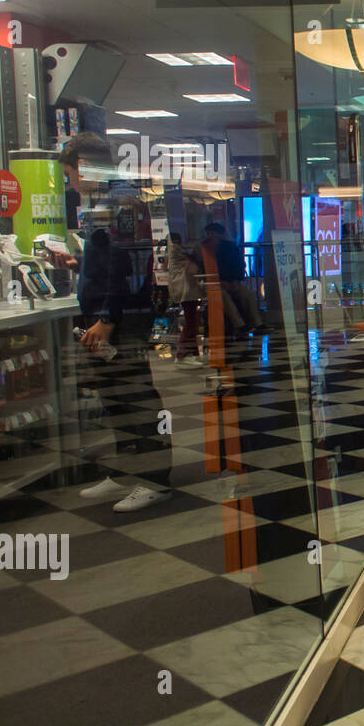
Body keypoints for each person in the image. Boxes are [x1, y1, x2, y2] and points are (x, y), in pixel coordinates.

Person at [72, 141, 173, 513]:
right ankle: (128, 469)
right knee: (115, 396)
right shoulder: (107, 203)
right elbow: (111, 260)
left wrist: (108, 318)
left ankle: (156, 479)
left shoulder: (122, 202)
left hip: (121, 319)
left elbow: (127, 264)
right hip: (110, 314)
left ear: (83, 166)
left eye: (70, 174)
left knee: (137, 394)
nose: (71, 183)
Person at [203, 222, 262, 333]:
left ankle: (257, 323)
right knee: (223, 296)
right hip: (213, 283)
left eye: (212, 234)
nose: (210, 237)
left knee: (247, 295)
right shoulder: (204, 248)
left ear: (219, 234)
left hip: (231, 281)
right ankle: (239, 325)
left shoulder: (229, 247)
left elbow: (238, 264)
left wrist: (235, 280)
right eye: (208, 234)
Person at [167, 233, 204, 366]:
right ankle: (182, 354)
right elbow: (193, 258)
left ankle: (193, 354)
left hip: (187, 290)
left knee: (192, 322)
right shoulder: (176, 250)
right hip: (186, 290)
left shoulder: (173, 250)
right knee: (190, 323)